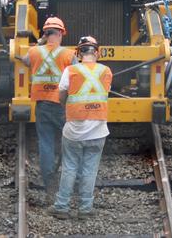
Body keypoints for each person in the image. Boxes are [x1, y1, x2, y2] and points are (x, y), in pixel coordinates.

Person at [50, 35, 112, 219]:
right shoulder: (106, 71)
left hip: (74, 130)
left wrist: (67, 106)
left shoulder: (70, 70)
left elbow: (62, 94)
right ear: (98, 53)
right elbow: (104, 93)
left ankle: (62, 207)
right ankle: (85, 209)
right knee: (90, 170)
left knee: (69, 167)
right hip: (98, 130)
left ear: (78, 53)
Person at [13, 16, 75, 192]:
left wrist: (40, 42)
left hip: (42, 105)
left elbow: (25, 61)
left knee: (46, 142)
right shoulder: (69, 54)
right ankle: (68, 178)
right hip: (62, 106)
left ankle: (49, 181)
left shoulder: (34, 52)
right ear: (62, 33)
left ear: (45, 34)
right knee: (71, 141)